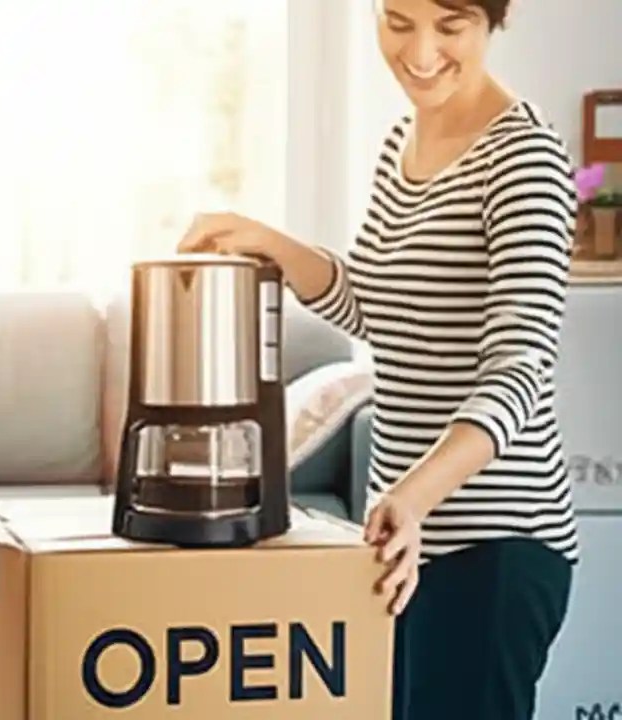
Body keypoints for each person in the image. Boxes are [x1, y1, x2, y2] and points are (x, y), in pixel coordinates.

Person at [177, 0, 577, 718]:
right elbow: (373, 308)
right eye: (398, 21)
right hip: (403, 540)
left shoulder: (526, 158)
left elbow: (520, 363)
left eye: (450, 26)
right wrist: (269, 241)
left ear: (494, 21)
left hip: (494, 545)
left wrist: (416, 494)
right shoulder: (404, 140)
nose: (420, 54)